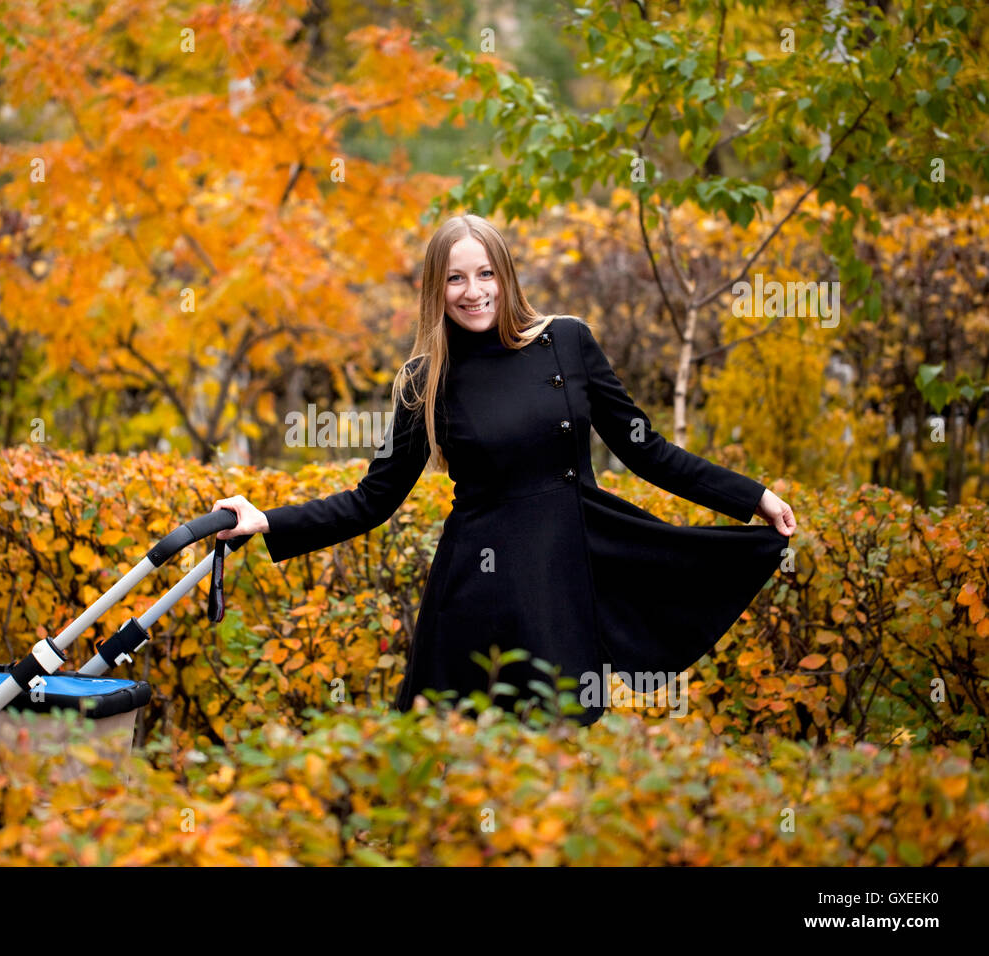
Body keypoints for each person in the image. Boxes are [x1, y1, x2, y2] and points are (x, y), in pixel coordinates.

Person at [213, 214, 795, 725]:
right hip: (476, 597)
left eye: (486, 273)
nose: (473, 292)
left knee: (554, 758)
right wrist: (267, 520)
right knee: (462, 773)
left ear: (506, 277)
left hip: (560, 586)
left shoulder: (567, 342)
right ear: (436, 289)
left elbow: (647, 449)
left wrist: (753, 497)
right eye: (456, 278)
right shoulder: (425, 380)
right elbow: (374, 500)